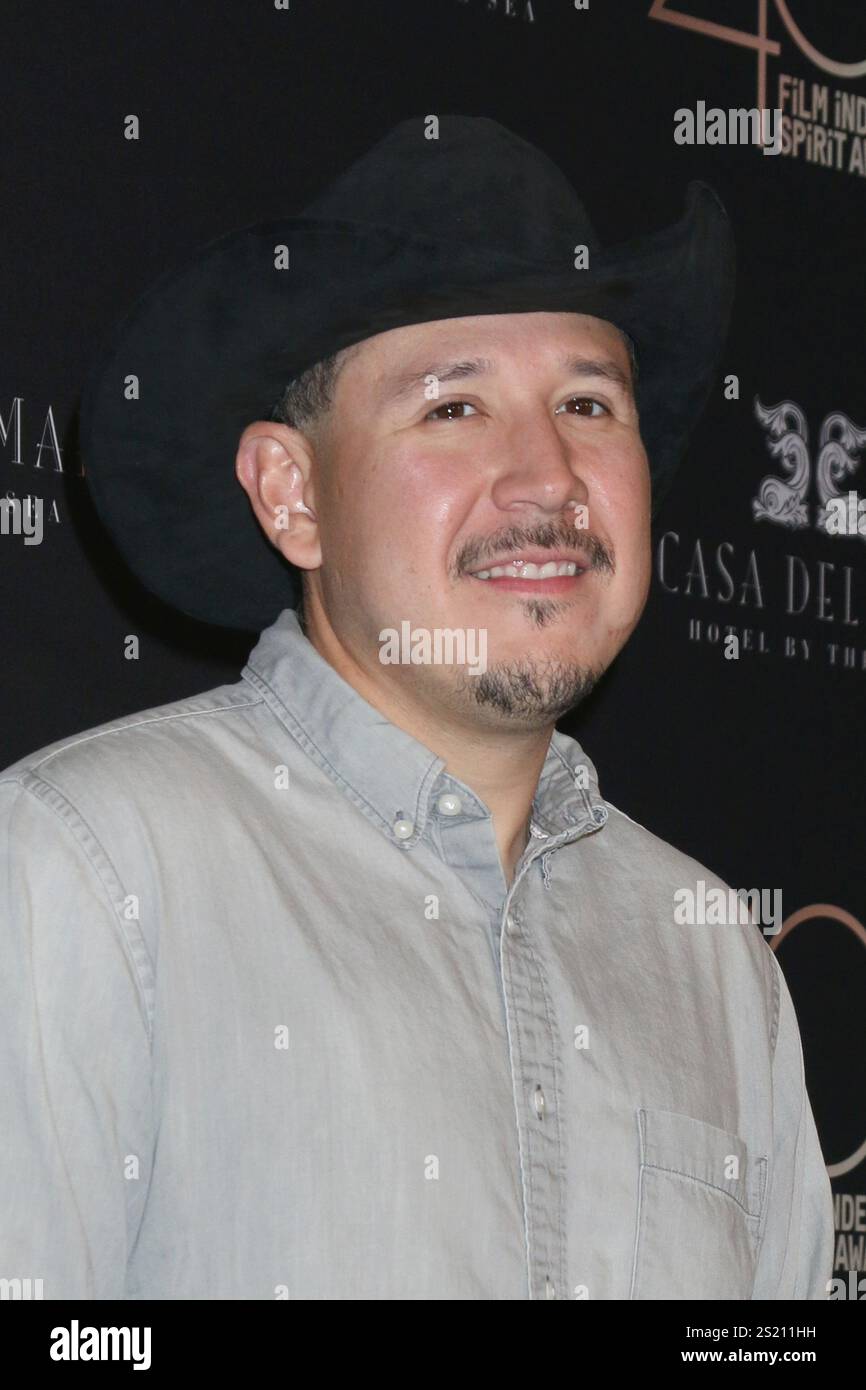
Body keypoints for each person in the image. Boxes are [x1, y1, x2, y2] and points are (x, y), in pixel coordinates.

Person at [0, 115, 834, 1299]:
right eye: (454, 407)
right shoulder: (83, 878)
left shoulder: (711, 961)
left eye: (590, 406)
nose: (547, 476)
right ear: (291, 495)